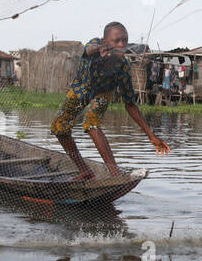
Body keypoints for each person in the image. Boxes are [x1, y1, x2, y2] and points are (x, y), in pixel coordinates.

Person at [52, 22, 169, 180]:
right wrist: (98, 49)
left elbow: (130, 104)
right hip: (82, 87)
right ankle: (85, 171)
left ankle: (115, 174)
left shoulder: (123, 67)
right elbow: (88, 50)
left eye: (124, 41)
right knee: (59, 126)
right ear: (105, 42)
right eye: (117, 41)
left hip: (103, 92)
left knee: (91, 123)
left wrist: (151, 136)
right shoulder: (95, 44)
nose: (121, 45)